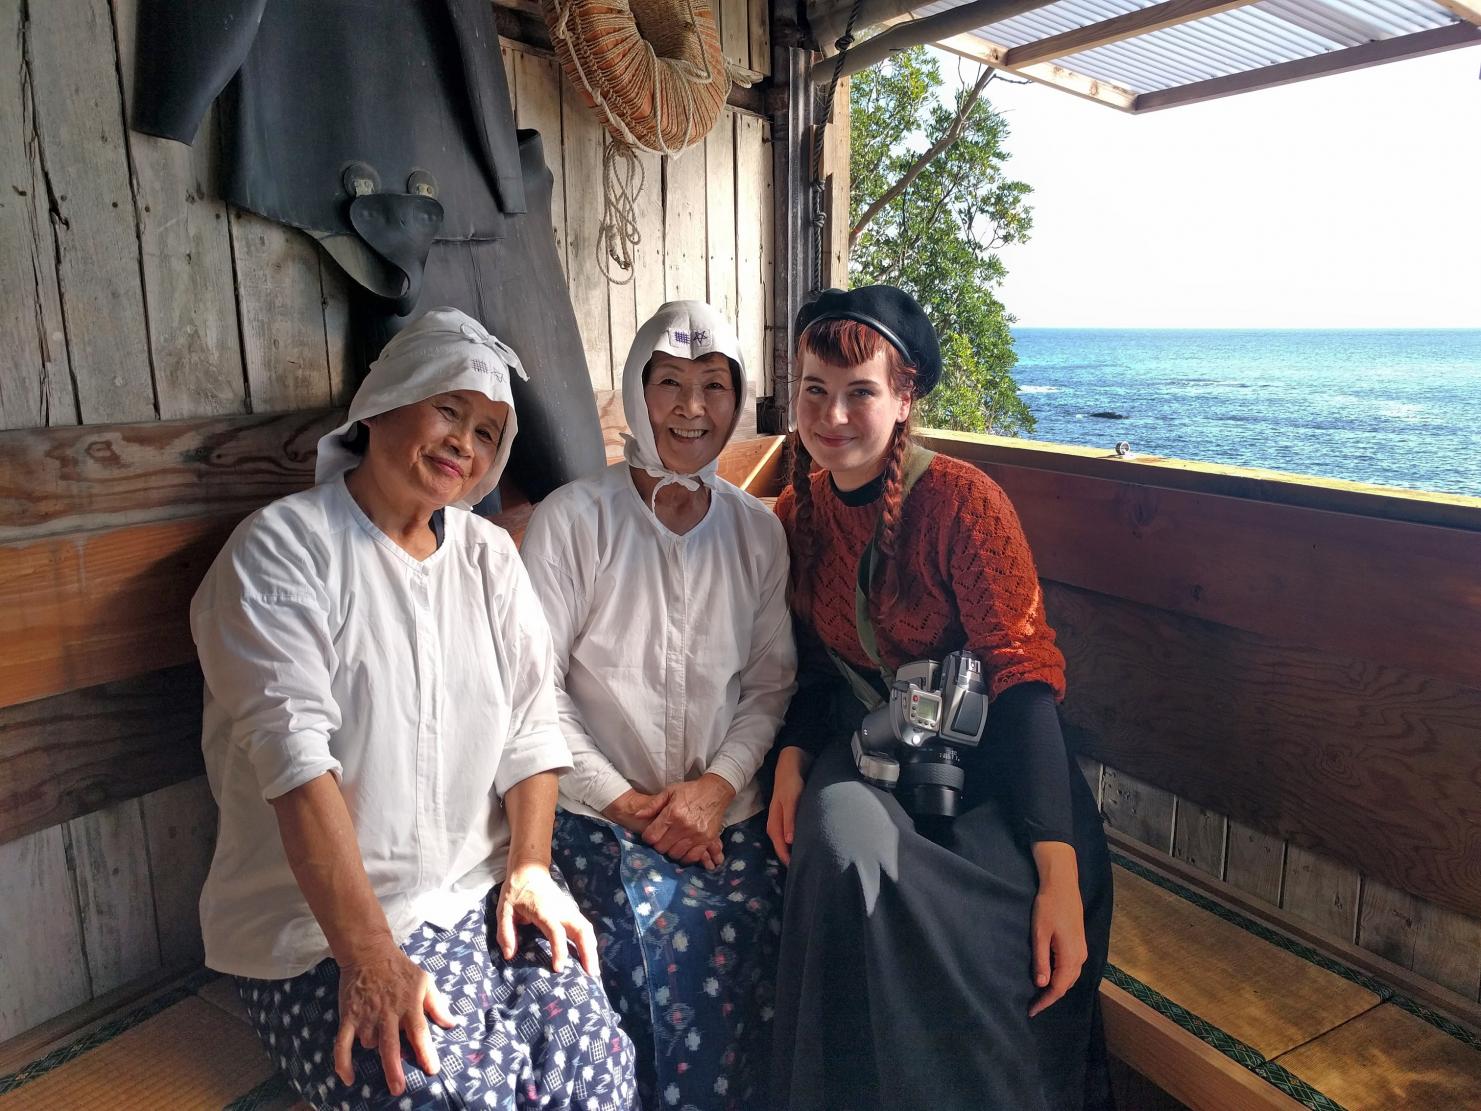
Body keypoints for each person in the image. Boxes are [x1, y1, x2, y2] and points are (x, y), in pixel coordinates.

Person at [189, 308, 636, 1111]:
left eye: (489, 433)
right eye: (448, 410)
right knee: (444, 1096)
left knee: (592, 1056)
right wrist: (370, 959)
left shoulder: (489, 557)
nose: (465, 442)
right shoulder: (283, 550)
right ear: (384, 401)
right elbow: (294, 764)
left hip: (472, 896)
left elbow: (531, 728)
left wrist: (530, 866)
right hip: (316, 935)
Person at [767, 286, 1113, 1110]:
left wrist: (1058, 874)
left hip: (997, 779)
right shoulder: (797, 514)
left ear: (904, 395)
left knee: (989, 939)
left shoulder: (961, 503)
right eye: (815, 389)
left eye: (860, 391)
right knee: (843, 859)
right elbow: (812, 666)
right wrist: (787, 759)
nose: (833, 414)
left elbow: (1023, 679)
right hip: (872, 756)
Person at [521, 301, 797, 1109]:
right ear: (636, 394)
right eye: (669, 383)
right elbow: (534, 688)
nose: (691, 408)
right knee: (652, 941)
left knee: (792, 918)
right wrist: (630, 803)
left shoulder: (756, 532)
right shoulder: (575, 519)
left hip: (726, 815)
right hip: (600, 813)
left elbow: (768, 685)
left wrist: (713, 790)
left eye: (714, 386)